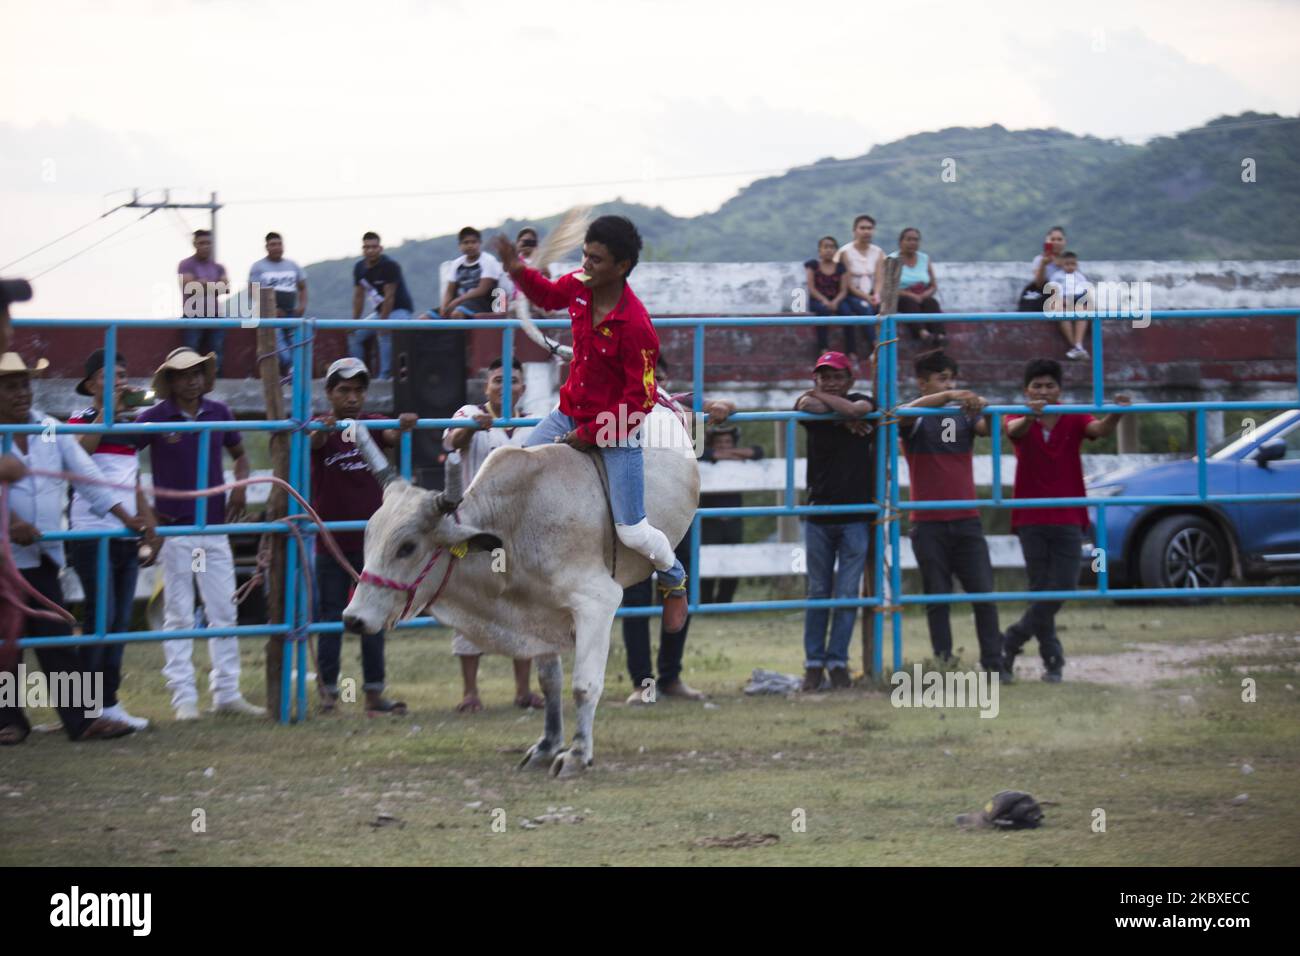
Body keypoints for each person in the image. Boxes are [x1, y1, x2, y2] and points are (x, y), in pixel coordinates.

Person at [493, 215, 690, 633]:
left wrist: (591, 435)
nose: (586, 264)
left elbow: (640, 401)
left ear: (621, 266)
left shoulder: (636, 326)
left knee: (633, 531)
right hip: (569, 411)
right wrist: (516, 270)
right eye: (585, 255)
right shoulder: (580, 288)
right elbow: (546, 296)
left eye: (596, 259)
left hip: (617, 427)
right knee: (513, 467)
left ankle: (672, 577)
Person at [0, 351, 141, 744]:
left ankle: (82, 719)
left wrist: (125, 516)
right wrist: (11, 523)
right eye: (10, 386)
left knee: (56, 635)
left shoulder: (48, 429)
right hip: (2, 556)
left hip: (42, 554)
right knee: (5, 642)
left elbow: (86, 473)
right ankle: (7, 721)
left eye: (24, 385)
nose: (20, 393)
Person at [133, 347, 265, 720]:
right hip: (178, 531)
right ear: (171, 380)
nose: (191, 379)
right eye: (183, 373)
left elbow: (239, 453)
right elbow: (124, 458)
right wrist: (147, 513)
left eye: (197, 372)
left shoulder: (219, 412)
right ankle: (184, 699)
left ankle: (226, 692)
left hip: (211, 528)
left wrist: (241, 484)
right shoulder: (155, 418)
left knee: (223, 608)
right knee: (179, 614)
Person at [1002, 359, 1130, 682]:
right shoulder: (1017, 417)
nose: (1043, 391)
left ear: (1060, 390)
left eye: (1049, 386)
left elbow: (1098, 429)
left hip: (1069, 514)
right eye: (1037, 386)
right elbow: (1011, 431)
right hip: (1031, 516)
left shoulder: (1074, 417)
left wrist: (1115, 414)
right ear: (1026, 390)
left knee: (1063, 585)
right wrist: (1032, 415)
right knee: (1041, 590)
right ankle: (1053, 663)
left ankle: (1012, 639)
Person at [619, 355, 730, 705]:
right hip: (637, 514)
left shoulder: (676, 402)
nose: (655, 380)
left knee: (678, 591)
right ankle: (643, 683)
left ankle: (670, 677)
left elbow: (722, 404)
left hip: (678, 516)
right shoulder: (622, 404)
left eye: (659, 374)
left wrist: (718, 407)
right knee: (635, 598)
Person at [310, 357, 416, 715]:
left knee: (374, 616)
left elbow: (391, 434)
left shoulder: (372, 423)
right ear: (329, 393)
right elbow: (311, 442)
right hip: (331, 542)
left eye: (358, 390)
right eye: (344, 390)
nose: (352, 397)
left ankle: (372, 693)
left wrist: (402, 426)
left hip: (373, 547)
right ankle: (328, 692)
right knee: (329, 618)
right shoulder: (320, 427)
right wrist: (322, 430)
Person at [441, 357, 544, 713]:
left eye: (512, 380)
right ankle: (470, 693)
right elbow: (453, 442)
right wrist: (473, 426)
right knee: (471, 604)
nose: (504, 387)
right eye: (497, 380)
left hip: (519, 531)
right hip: (473, 529)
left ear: (522, 388)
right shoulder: (468, 412)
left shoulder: (534, 424)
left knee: (523, 606)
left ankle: (523, 690)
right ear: (486, 387)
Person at [66, 349, 160, 730]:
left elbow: (132, 478)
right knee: (99, 617)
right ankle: (86, 707)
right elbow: (78, 456)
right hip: (91, 533)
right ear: (91, 385)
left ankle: (107, 703)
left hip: (125, 533)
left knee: (119, 621)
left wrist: (150, 524)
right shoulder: (81, 419)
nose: (119, 381)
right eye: (110, 376)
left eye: (122, 374)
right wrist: (106, 412)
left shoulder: (131, 425)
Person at [900, 351, 1006, 677]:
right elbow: (898, 416)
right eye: (941, 379)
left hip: (966, 520)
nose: (950, 385)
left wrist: (983, 405)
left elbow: (988, 428)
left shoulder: (963, 414)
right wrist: (946, 396)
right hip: (927, 523)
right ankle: (944, 665)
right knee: (937, 599)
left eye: (952, 379)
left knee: (984, 595)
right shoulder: (915, 416)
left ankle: (995, 664)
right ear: (923, 383)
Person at [795, 351, 876, 691]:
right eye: (823, 377)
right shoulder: (810, 406)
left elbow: (860, 410)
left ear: (850, 380)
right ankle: (815, 664)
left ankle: (838, 662)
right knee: (818, 592)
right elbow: (805, 407)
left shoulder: (863, 400)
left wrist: (825, 401)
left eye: (837, 376)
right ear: (816, 378)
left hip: (856, 515)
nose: (830, 382)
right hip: (820, 513)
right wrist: (835, 410)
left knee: (846, 594)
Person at [699, 424, 764, 605]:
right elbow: (700, 453)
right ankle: (705, 602)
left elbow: (758, 452)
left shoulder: (735, 461)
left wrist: (728, 454)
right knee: (708, 560)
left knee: (734, 560)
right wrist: (725, 454)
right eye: (719, 442)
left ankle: (724, 602)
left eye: (728, 441)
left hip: (734, 519)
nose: (724, 445)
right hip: (709, 520)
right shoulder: (707, 459)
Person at [350, 232, 414, 380]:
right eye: (367, 247)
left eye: (374, 247)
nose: (370, 251)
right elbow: (358, 296)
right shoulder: (359, 267)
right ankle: (356, 374)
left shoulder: (390, 266)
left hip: (399, 310)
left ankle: (384, 376)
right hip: (379, 312)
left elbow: (389, 296)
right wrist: (354, 322)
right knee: (355, 335)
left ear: (380, 248)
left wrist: (383, 323)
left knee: (384, 334)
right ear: (363, 249)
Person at [248, 232, 308, 377]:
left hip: (292, 313)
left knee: (296, 342)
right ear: (267, 247)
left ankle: (294, 373)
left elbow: (302, 287)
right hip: (271, 316)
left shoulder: (292, 265)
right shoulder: (258, 267)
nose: (276, 247)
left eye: (279, 244)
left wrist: (302, 306)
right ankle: (289, 369)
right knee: (278, 343)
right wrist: (271, 309)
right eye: (273, 245)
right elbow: (252, 292)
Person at [177, 229, 230, 374]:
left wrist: (202, 283)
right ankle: (189, 380)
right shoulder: (186, 264)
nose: (205, 246)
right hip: (192, 315)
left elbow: (226, 289)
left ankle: (215, 383)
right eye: (202, 243)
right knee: (190, 351)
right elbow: (189, 287)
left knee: (216, 351)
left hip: (215, 316)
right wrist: (213, 286)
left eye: (208, 243)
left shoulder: (218, 267)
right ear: (195, 244)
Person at [880, 227, 944, 345]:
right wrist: (910, 294)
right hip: (901, 297)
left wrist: (924, 294)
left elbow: (933, 285)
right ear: (901, 242)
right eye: (908, 240)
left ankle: (939, 335)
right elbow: (887, 287)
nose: (912, 243)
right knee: (910, 302)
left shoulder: (924, 258)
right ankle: (922, 333)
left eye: (915, 240)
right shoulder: (892, 259)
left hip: (922, 295)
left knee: (931, 303)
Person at [804, 236, 862, 358]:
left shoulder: (841, 267)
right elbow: (812, 288)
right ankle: (823, 348)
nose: (828, 250)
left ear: (836, 251)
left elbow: (843, 290)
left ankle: (851, 351)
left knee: (847, 314)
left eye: (831, 247)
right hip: (818, 299)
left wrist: (835, 301)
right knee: (822, 313)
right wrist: (824, 300)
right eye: (825, 247)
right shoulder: (813, 266)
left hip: (837, 299)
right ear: (819, 250)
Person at [834, 214, 884, 351]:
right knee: (865, 308)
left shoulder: (878, 252)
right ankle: (875, 345)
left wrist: (876, 295)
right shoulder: (845, 252)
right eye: (862, 228)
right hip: (852, 294)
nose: (866, 231)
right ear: (854, 231)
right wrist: (867, 298)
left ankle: (888, 343)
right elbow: (847, 282)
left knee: (885, 311)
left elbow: (879, 278)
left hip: (873, 293)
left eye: (869, 228)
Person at [435, 227, 503, 319]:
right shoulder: (456, 264)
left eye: (473, 242)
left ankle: (456, 333)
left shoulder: (488, 261)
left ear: (480, 243)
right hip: (462, 303)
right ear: (460, 245)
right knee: (425, 318)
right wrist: (444, 306)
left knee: (457, 314)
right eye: (466, 243)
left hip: (484, 302)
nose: (470, 245)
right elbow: (450, 291)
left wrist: (457, 301)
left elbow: (482, 290)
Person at [1049, 251, 1092, 361]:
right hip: (1062, 301)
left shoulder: (1080, 277)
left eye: (1073, 264)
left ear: (1076, 265)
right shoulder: (1056, 276)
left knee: (1082, 310)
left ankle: (1078, 345)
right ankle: (1075, 346)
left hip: (1077, 300)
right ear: (1062, 264)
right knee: (1060, 311)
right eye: (1067, 264)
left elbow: (1085, 292)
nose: (1070, 267)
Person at [1017, 225, 1067, 312]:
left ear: (1064, 242)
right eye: (1053, 239)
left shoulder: (1069, 261)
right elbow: (1039, 284)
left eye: (1059, 239)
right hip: (1049, 298)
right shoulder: (1040, 260)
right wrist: (1043, 264)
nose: (1056, 242)